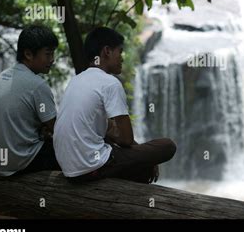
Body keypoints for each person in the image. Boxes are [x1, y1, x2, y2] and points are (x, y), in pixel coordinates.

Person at [53, 27, 176, 183]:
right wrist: (148, 159)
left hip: (69, 169)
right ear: (107, 51)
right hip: (92, 167)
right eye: (120, 51)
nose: (122, 58)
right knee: (167, 146)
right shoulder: (110, 83)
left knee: (138, 163)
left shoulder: (76, 80)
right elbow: (126, 139)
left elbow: (112, 133)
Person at [0, 24, 60, 176]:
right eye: (48, 54)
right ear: (28, 54)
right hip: (20, 161)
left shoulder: (3, 76)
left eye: (53, 54)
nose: (52, 60)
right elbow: (58, 129)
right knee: (69, 148)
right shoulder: (38, 85)